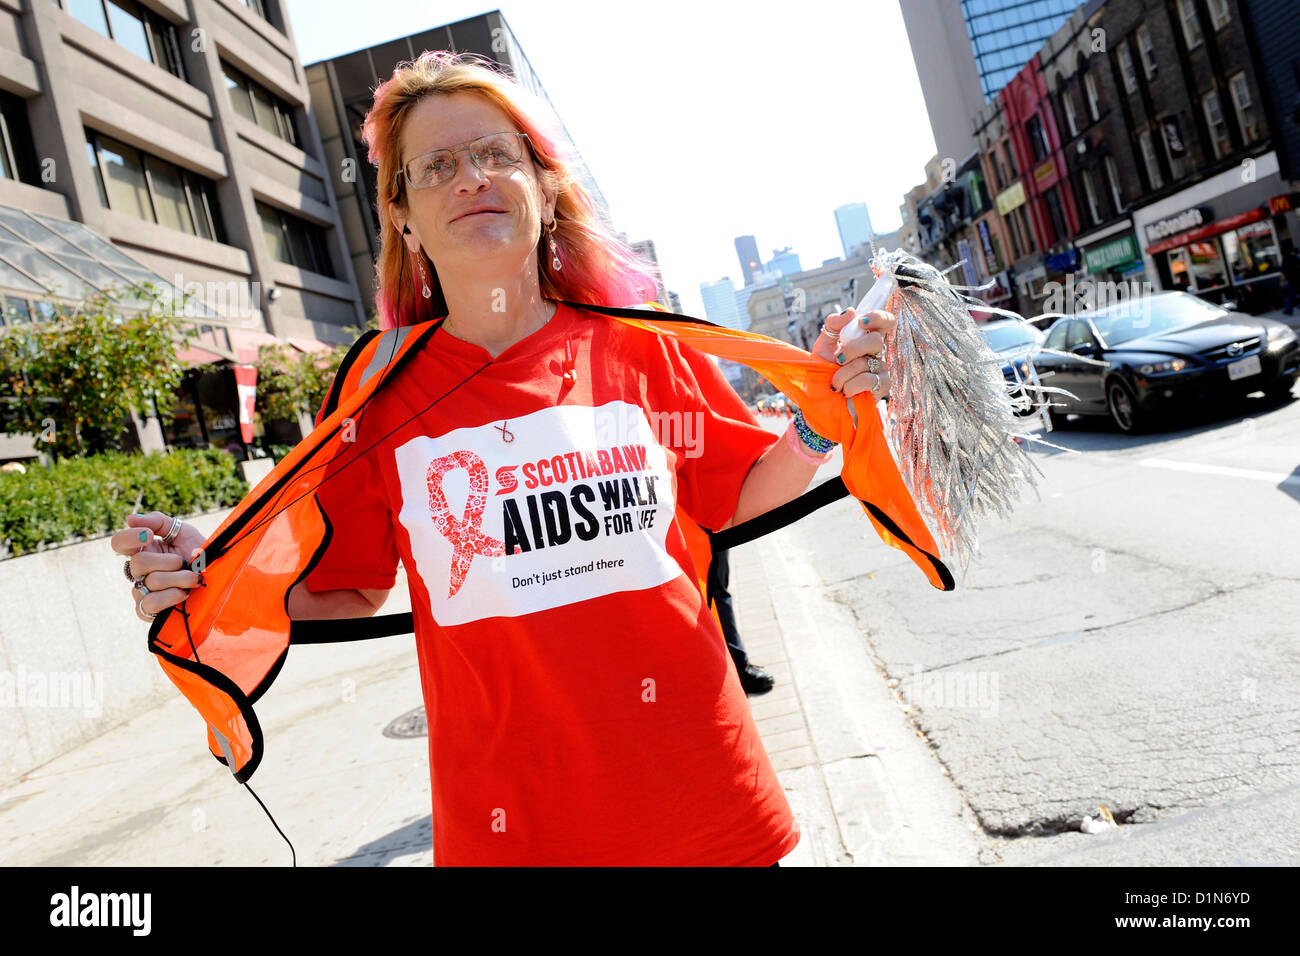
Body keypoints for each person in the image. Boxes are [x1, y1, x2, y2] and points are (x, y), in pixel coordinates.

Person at [110, 51, 894, 866]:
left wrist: (814, 428)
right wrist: (212, 575)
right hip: (510, 830)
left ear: (545, 187)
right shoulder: (375, 396)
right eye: (438, 165)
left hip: (703, 801)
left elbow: (732, 501)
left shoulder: (644, 347)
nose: (471, 178)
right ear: (403, 214)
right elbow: (342, 591)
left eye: (496, 154)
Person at [1282, 246, 1300, 316]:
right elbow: (1284, 271)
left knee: (1291, 295)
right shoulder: (1294, 259)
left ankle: (1289, 309)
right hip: (1293, 280)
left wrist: (1282, 281)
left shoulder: (1288, 259)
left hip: (1292, 280)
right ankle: (1289, 309)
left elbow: (1283, 271)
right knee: (1292, 295)